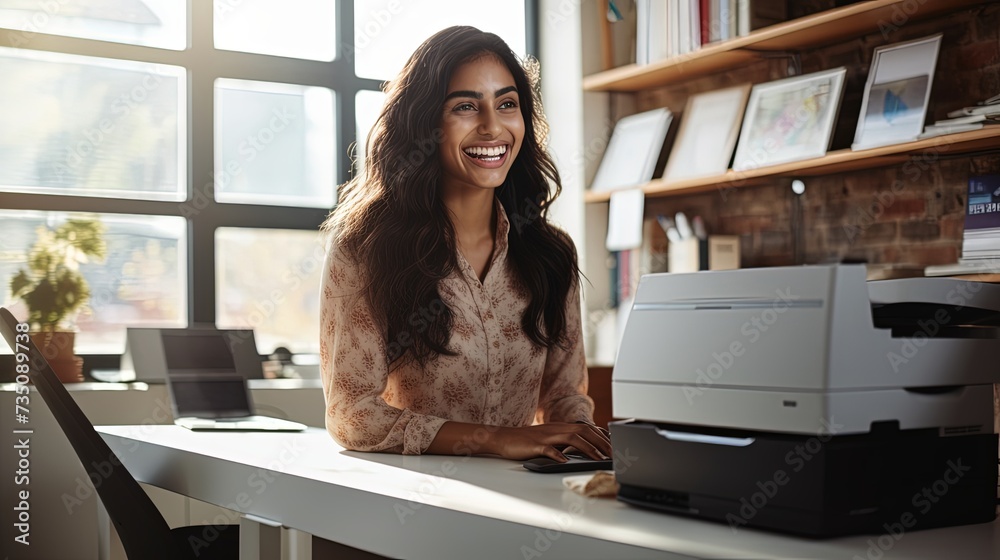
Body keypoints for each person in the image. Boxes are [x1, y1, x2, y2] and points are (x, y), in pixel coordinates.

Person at [320, 26, 610, 463]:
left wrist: (596, 449)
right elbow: (351, 415)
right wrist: (495, 439)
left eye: (507, 104)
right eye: (466, 106)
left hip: (526, 503)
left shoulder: (551, 254)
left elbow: (565, 400)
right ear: (426, 123)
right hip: (411, 503)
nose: (493, 127)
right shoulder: (365, 247)